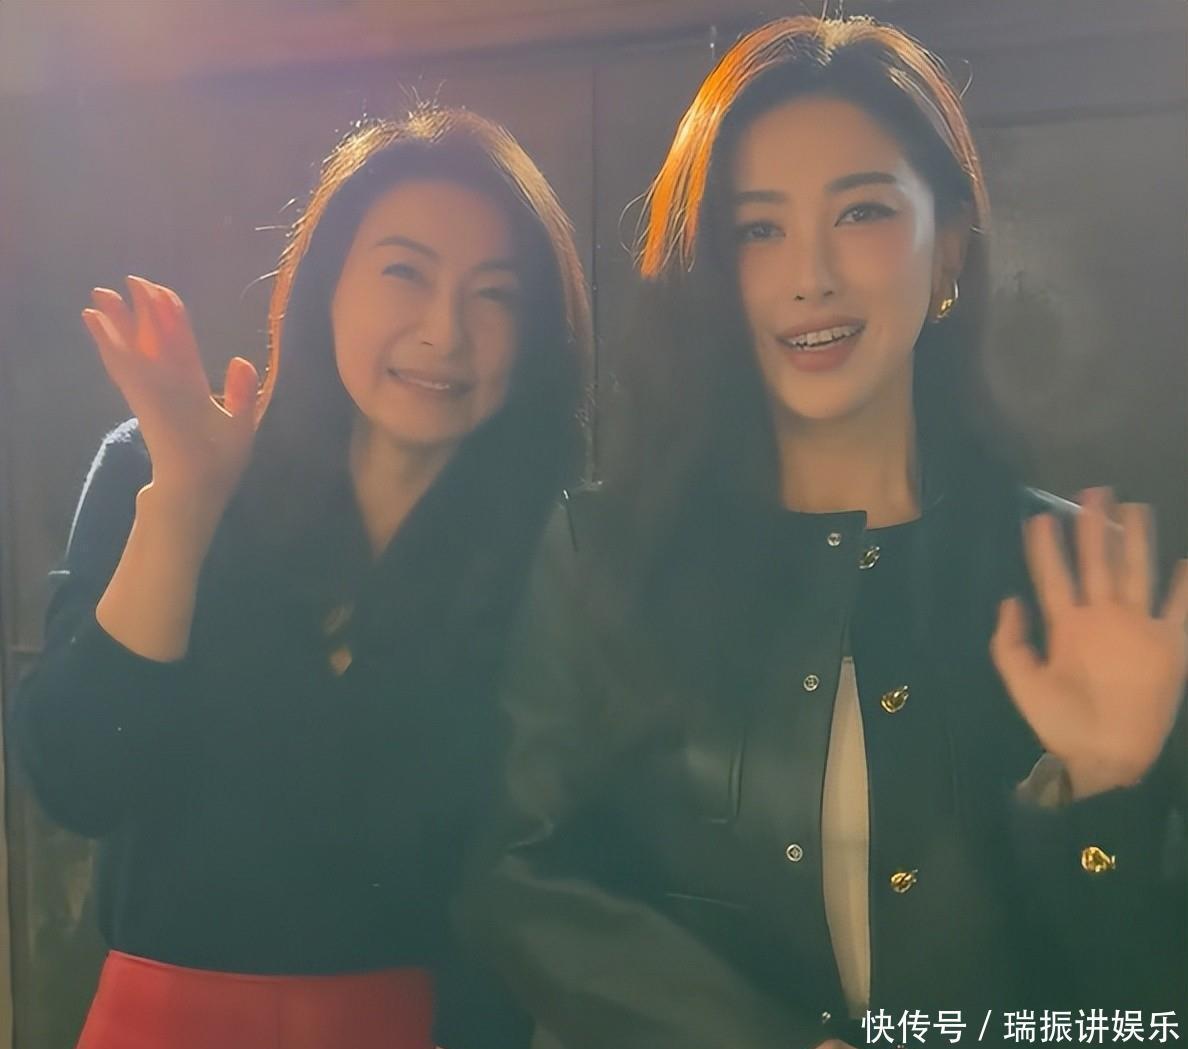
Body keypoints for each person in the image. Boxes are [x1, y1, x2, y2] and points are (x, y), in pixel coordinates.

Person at [459, 17, 1187, 1049]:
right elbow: (516, 881)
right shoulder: (603, 555)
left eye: (862, 212)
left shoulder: (1081, 583)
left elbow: (1143, 1004)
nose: (810, 275)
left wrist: (1105, 795)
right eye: (758, 230)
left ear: (951, 246)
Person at [13, 104, 590, 1049]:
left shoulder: (558, 548)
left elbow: (548, 882)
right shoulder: (157, 464)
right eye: (405, 273)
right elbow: (77, 779)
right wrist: (185, 503)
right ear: (327, 286)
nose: (444, 330)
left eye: (495, 295)